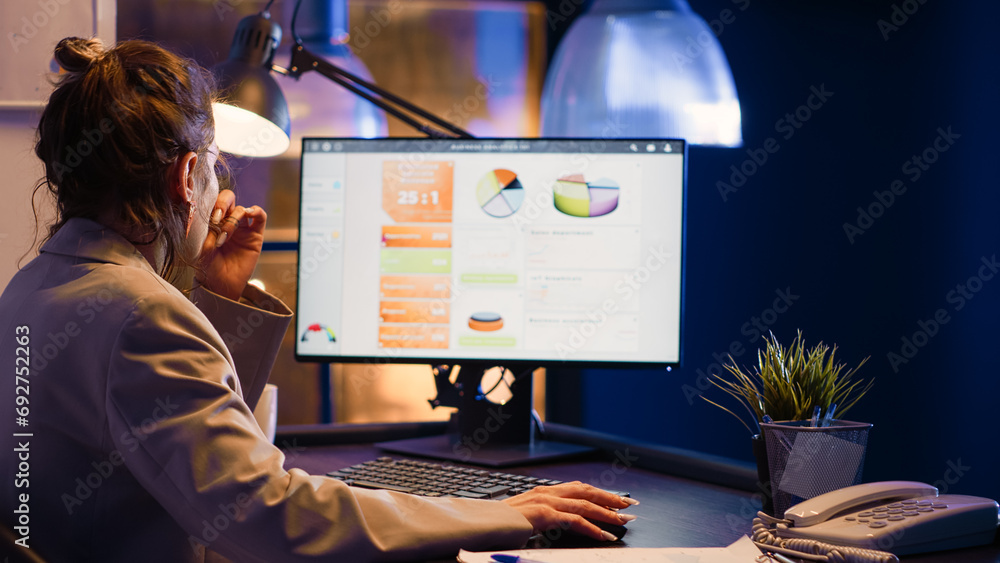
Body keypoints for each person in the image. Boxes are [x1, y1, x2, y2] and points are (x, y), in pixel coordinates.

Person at [0, 37, 637, 562]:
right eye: (215, 164)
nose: (220, 182)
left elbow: (188, 449)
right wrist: (489, 513)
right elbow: (274, 517)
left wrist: (216, 298)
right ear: (185, 177)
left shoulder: (33, 286)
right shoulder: (141, 315)